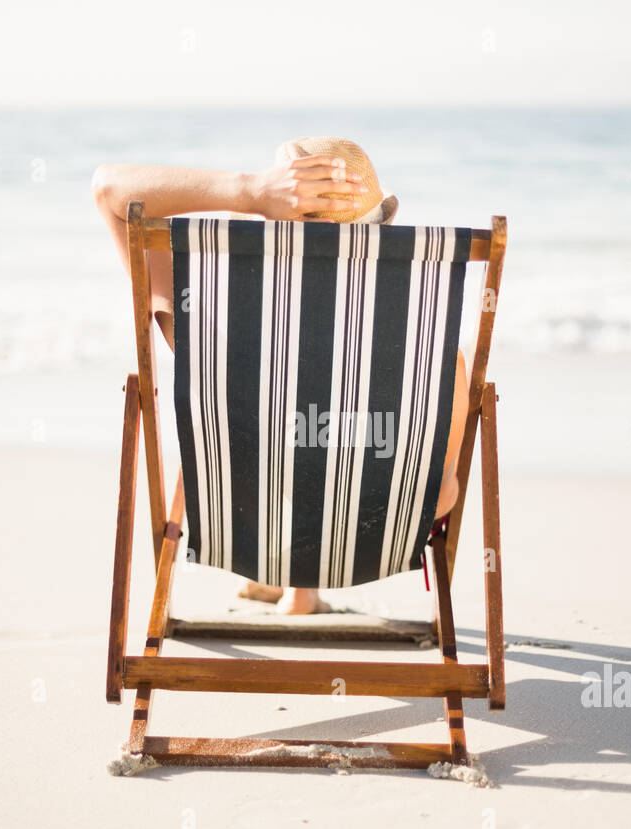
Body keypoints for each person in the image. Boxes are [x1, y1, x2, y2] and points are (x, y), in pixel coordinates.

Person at [92, 137, 467, 613]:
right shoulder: (428, 350)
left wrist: (248, 191)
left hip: (245, 522)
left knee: (265, 421)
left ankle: (287, 579)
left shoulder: (214, 314)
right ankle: (302, 588)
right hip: (365, 540)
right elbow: (439, 496)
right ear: (379, 231)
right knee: (328, 429)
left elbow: (108, 189)